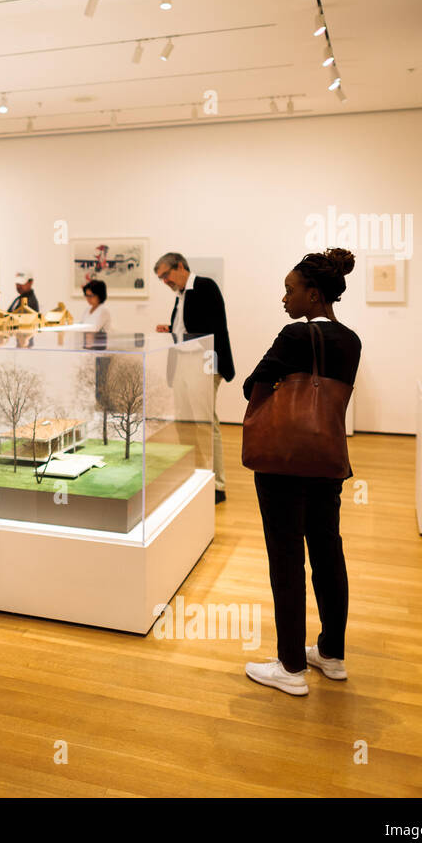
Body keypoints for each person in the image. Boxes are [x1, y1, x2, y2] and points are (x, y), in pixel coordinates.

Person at [242, 248, 362, 697]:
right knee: (328, 552)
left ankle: (291, 665)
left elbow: (250, 385)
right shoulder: (351, 340)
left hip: (282, 462)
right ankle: (331, 654)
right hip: (327, 459)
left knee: (287, 558)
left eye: (290, 290)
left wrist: (276, 385)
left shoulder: (293, 336)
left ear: (314, 295)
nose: (284, 298)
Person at [154, 252, 235, 503]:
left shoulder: (203, 286)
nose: (165, 281)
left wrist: (181, 334)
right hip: (182, 362)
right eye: (161, 279)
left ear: (180, 266)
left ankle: (216, 484)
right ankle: (196, 475)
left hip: (203, 361)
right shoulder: (181, 295)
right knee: (184, 422)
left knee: (205, 423)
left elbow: (212, 327)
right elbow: (189, 325)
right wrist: (171, 330)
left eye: (166, 275)